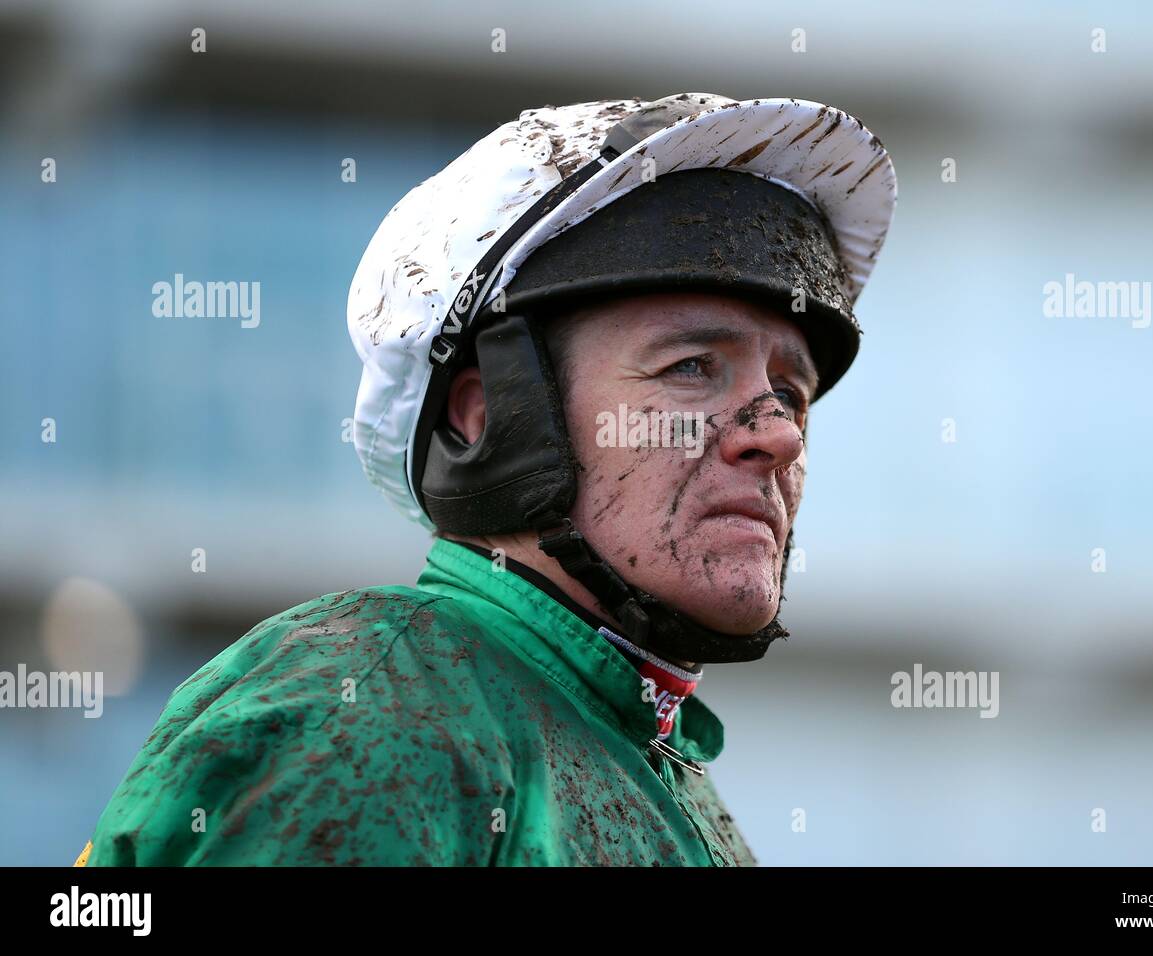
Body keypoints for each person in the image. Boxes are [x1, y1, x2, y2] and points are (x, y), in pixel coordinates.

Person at [76, 92, 895, 866]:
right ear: (490, 415)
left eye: (791, 393)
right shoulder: (383, 703)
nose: (777, 436)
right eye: (691, 368)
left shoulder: (662, 763)